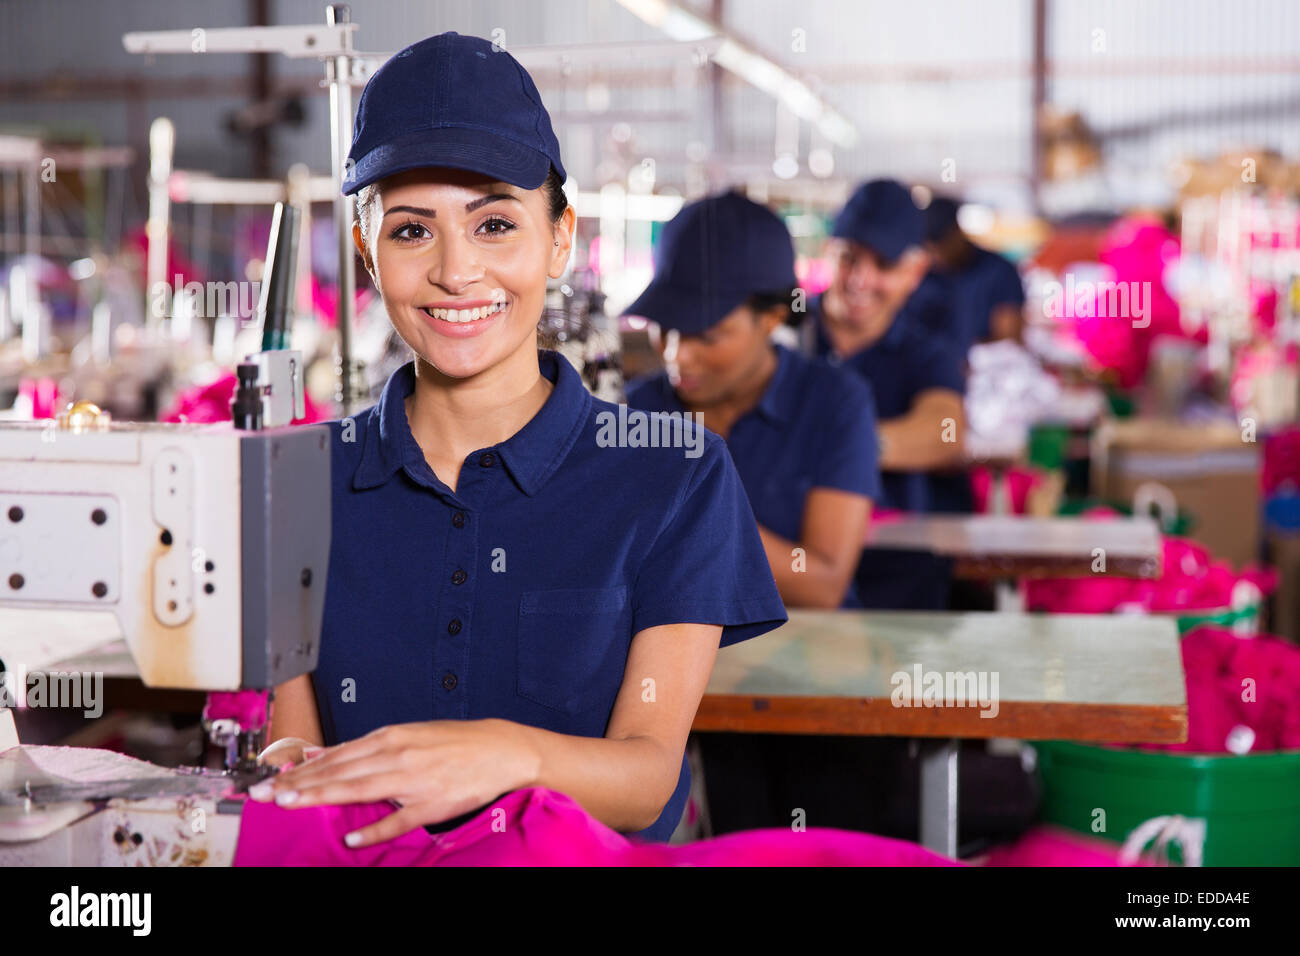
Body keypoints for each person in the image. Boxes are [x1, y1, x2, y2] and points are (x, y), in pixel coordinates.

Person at [255, 32, 786, 847]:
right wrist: (281, 770)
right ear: (366, 249)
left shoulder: (675, 474)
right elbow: (297, 757)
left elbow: (646, 781)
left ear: (560, 239)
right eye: (410, 231)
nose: (457, 273)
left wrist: (504, 756)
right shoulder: (297, 480)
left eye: (495, 223)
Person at [623, 190, 881, 610]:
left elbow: (822, 585)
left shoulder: (834, 403)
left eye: (706, 335)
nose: (676, 354)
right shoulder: (633, 412)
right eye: (663, 327)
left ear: (773, 318)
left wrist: (684, 514)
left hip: (808, 659)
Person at [802, 178, 970, 516]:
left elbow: (946, 433)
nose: (860, 280)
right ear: (827, 253)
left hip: (890, 549)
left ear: (915, 271)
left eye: (884, 265)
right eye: (849, 259)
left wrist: (834, 444)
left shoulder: (926, 352)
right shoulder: (782, 331)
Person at [924, 196, 1026, 352]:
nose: (938, 254)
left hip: (989, 369)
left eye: (943, 244)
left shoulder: (999, 271)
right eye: (932, 248)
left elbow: (1009, 339)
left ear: (958, 232)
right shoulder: (923, 275)